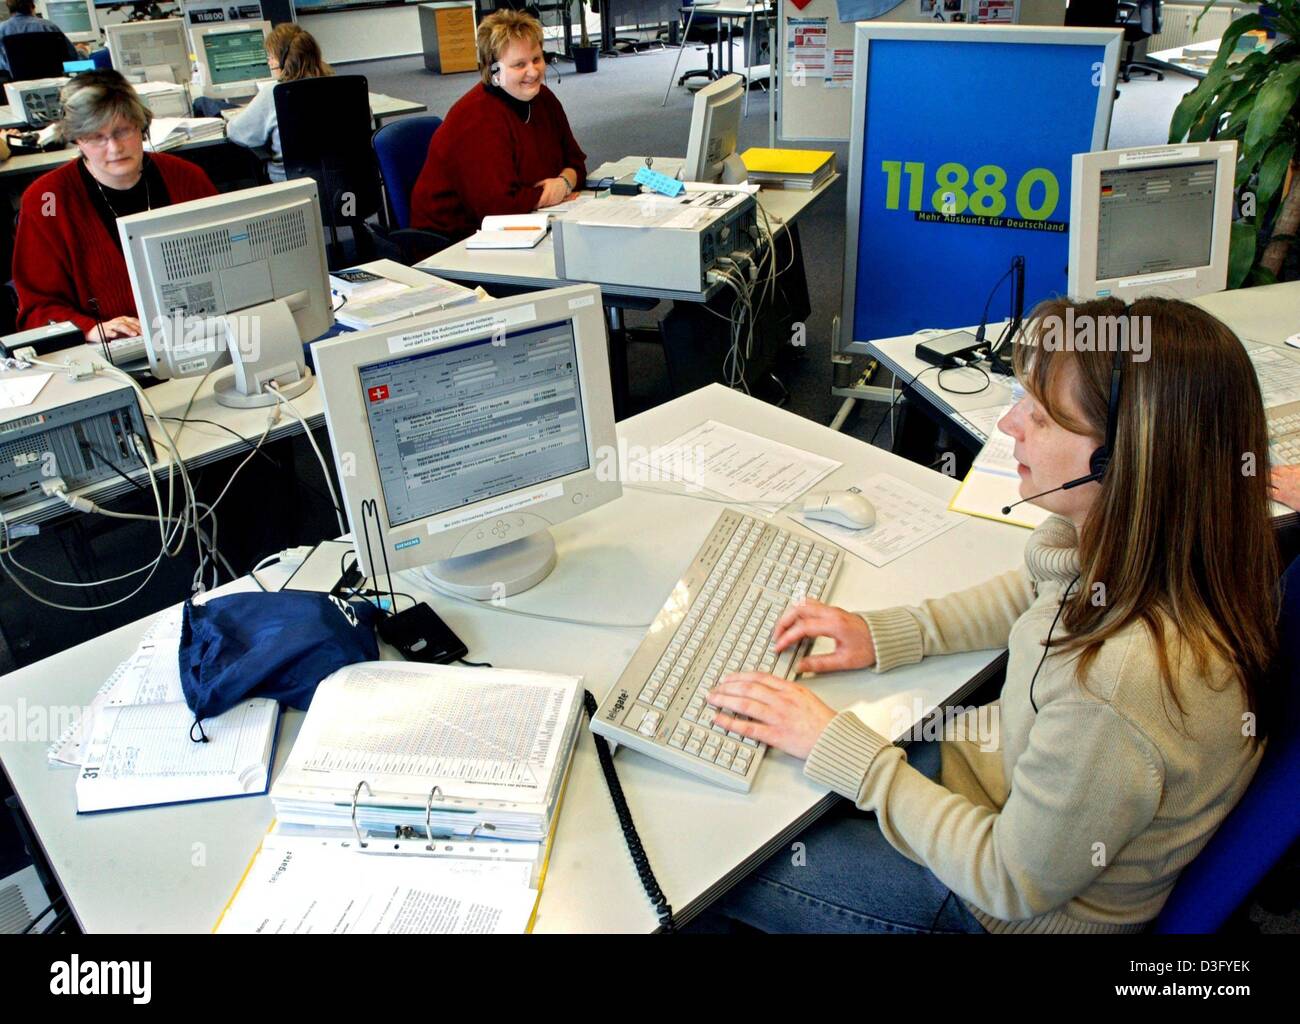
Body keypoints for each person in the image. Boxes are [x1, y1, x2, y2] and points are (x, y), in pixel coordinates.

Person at [698, 297, 1279, 933]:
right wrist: (890, 632)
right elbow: (1033, 590)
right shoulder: (1172, 549)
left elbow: (1009, 882)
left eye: (1043, 416)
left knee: (723, 865)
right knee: (775, 784)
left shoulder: (1119, 685)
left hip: (1006, 910)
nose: (1008, 425)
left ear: (1122, 461)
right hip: (1001, 788)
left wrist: (843, 749)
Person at [12, 71, 218, 340]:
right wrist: (89, 329)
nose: (114, 147)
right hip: (112, 349)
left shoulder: (188, 178)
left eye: (123, 131)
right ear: (76, 139)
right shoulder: (46, 200)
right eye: (96, 137)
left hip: (199, 332)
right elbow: (38, 308)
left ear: (141, 126)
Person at [409, 10, 586, 243]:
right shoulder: (476, 118)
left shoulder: (544, 99)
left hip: (526, 226)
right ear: (493, 71)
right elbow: (497, 208)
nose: (533, 72)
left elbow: (576, 163)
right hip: (459, 242)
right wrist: (550, 193)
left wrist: (562, 182)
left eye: (537, 59)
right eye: (519, 65)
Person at [224, 24, 332, 183]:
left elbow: (238, 133)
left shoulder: (275, 93)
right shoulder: (344, 88)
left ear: (283, 60)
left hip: (292, 186)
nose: (269, 63)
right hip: (344, 184)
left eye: (271, 57)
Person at [0, 0, 78, 81]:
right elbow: (72, 57)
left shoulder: (1, 29)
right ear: (32, 7)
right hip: (53, 82)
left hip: (14, 86)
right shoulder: (49, 26)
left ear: (9, 8)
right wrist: (82, 50)